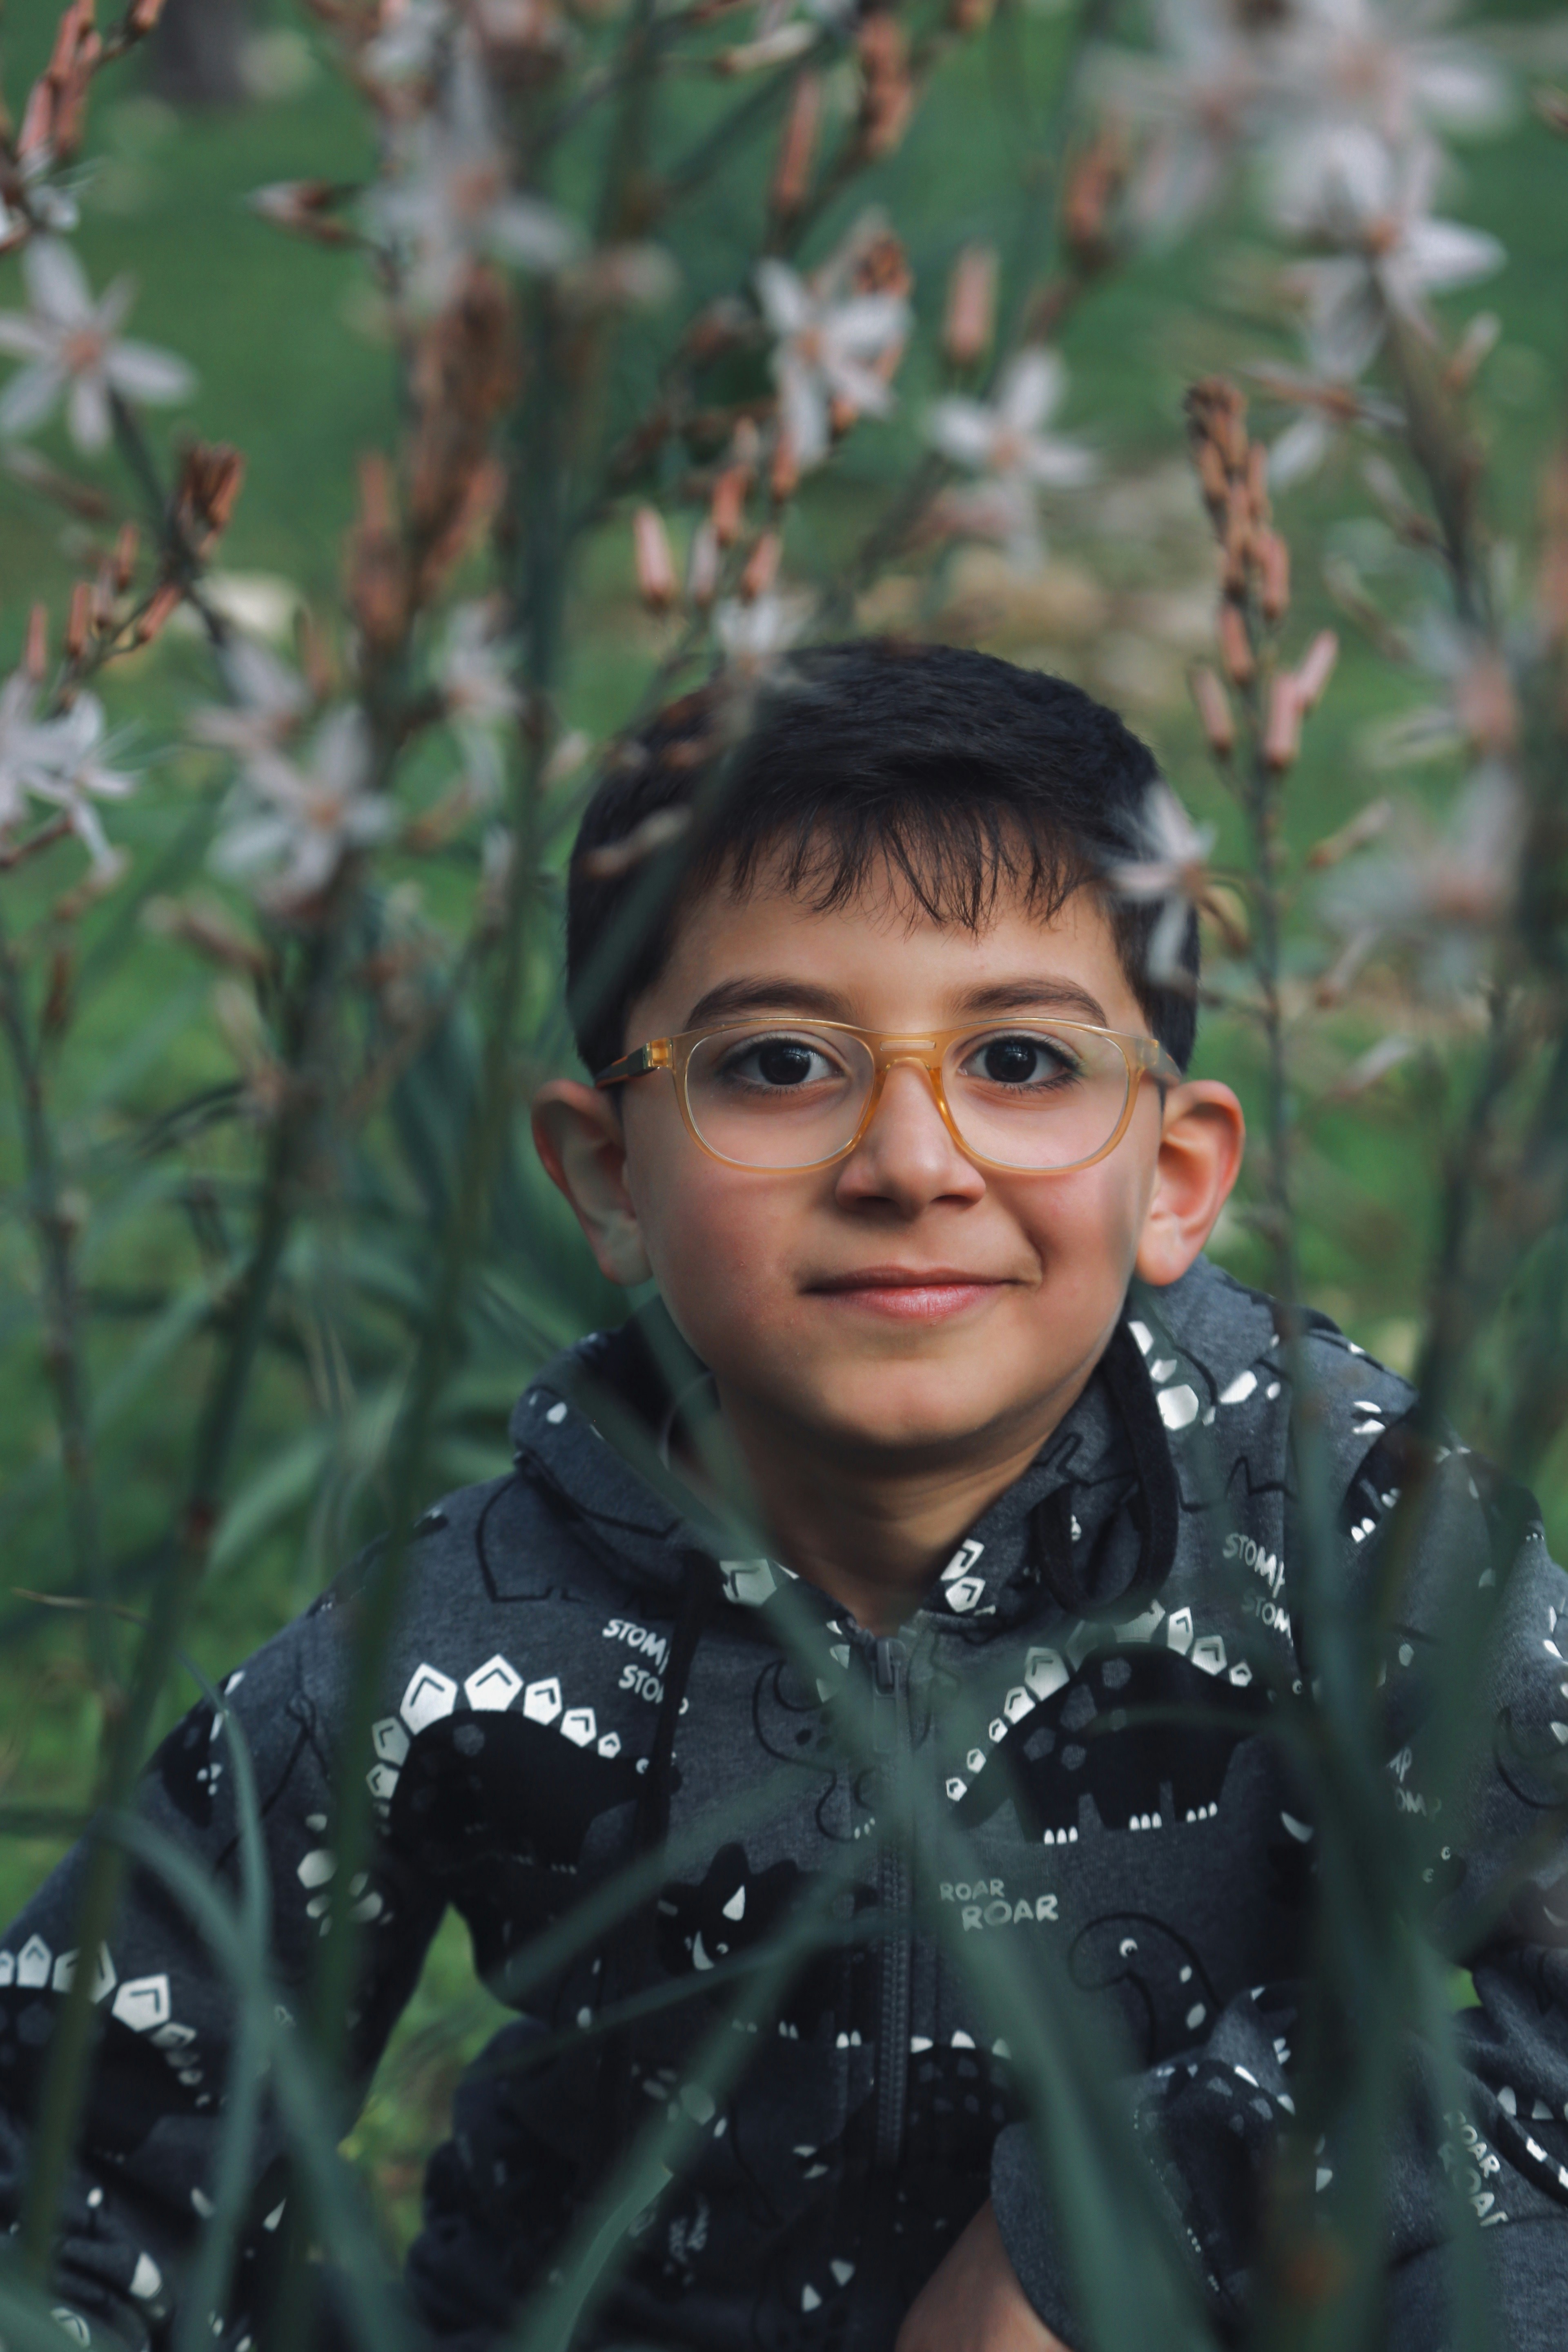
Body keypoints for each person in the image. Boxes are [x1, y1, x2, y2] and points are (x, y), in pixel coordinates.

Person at [0, 641, 1564, 2351]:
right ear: (609, 1178)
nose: (910, 1163)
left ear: (1177, 1173)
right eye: (778, 1068)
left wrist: (1134, 2214)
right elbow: (72, 2162)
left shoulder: (1331, 1511)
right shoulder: (448, 1645)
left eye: (1024, 1064)